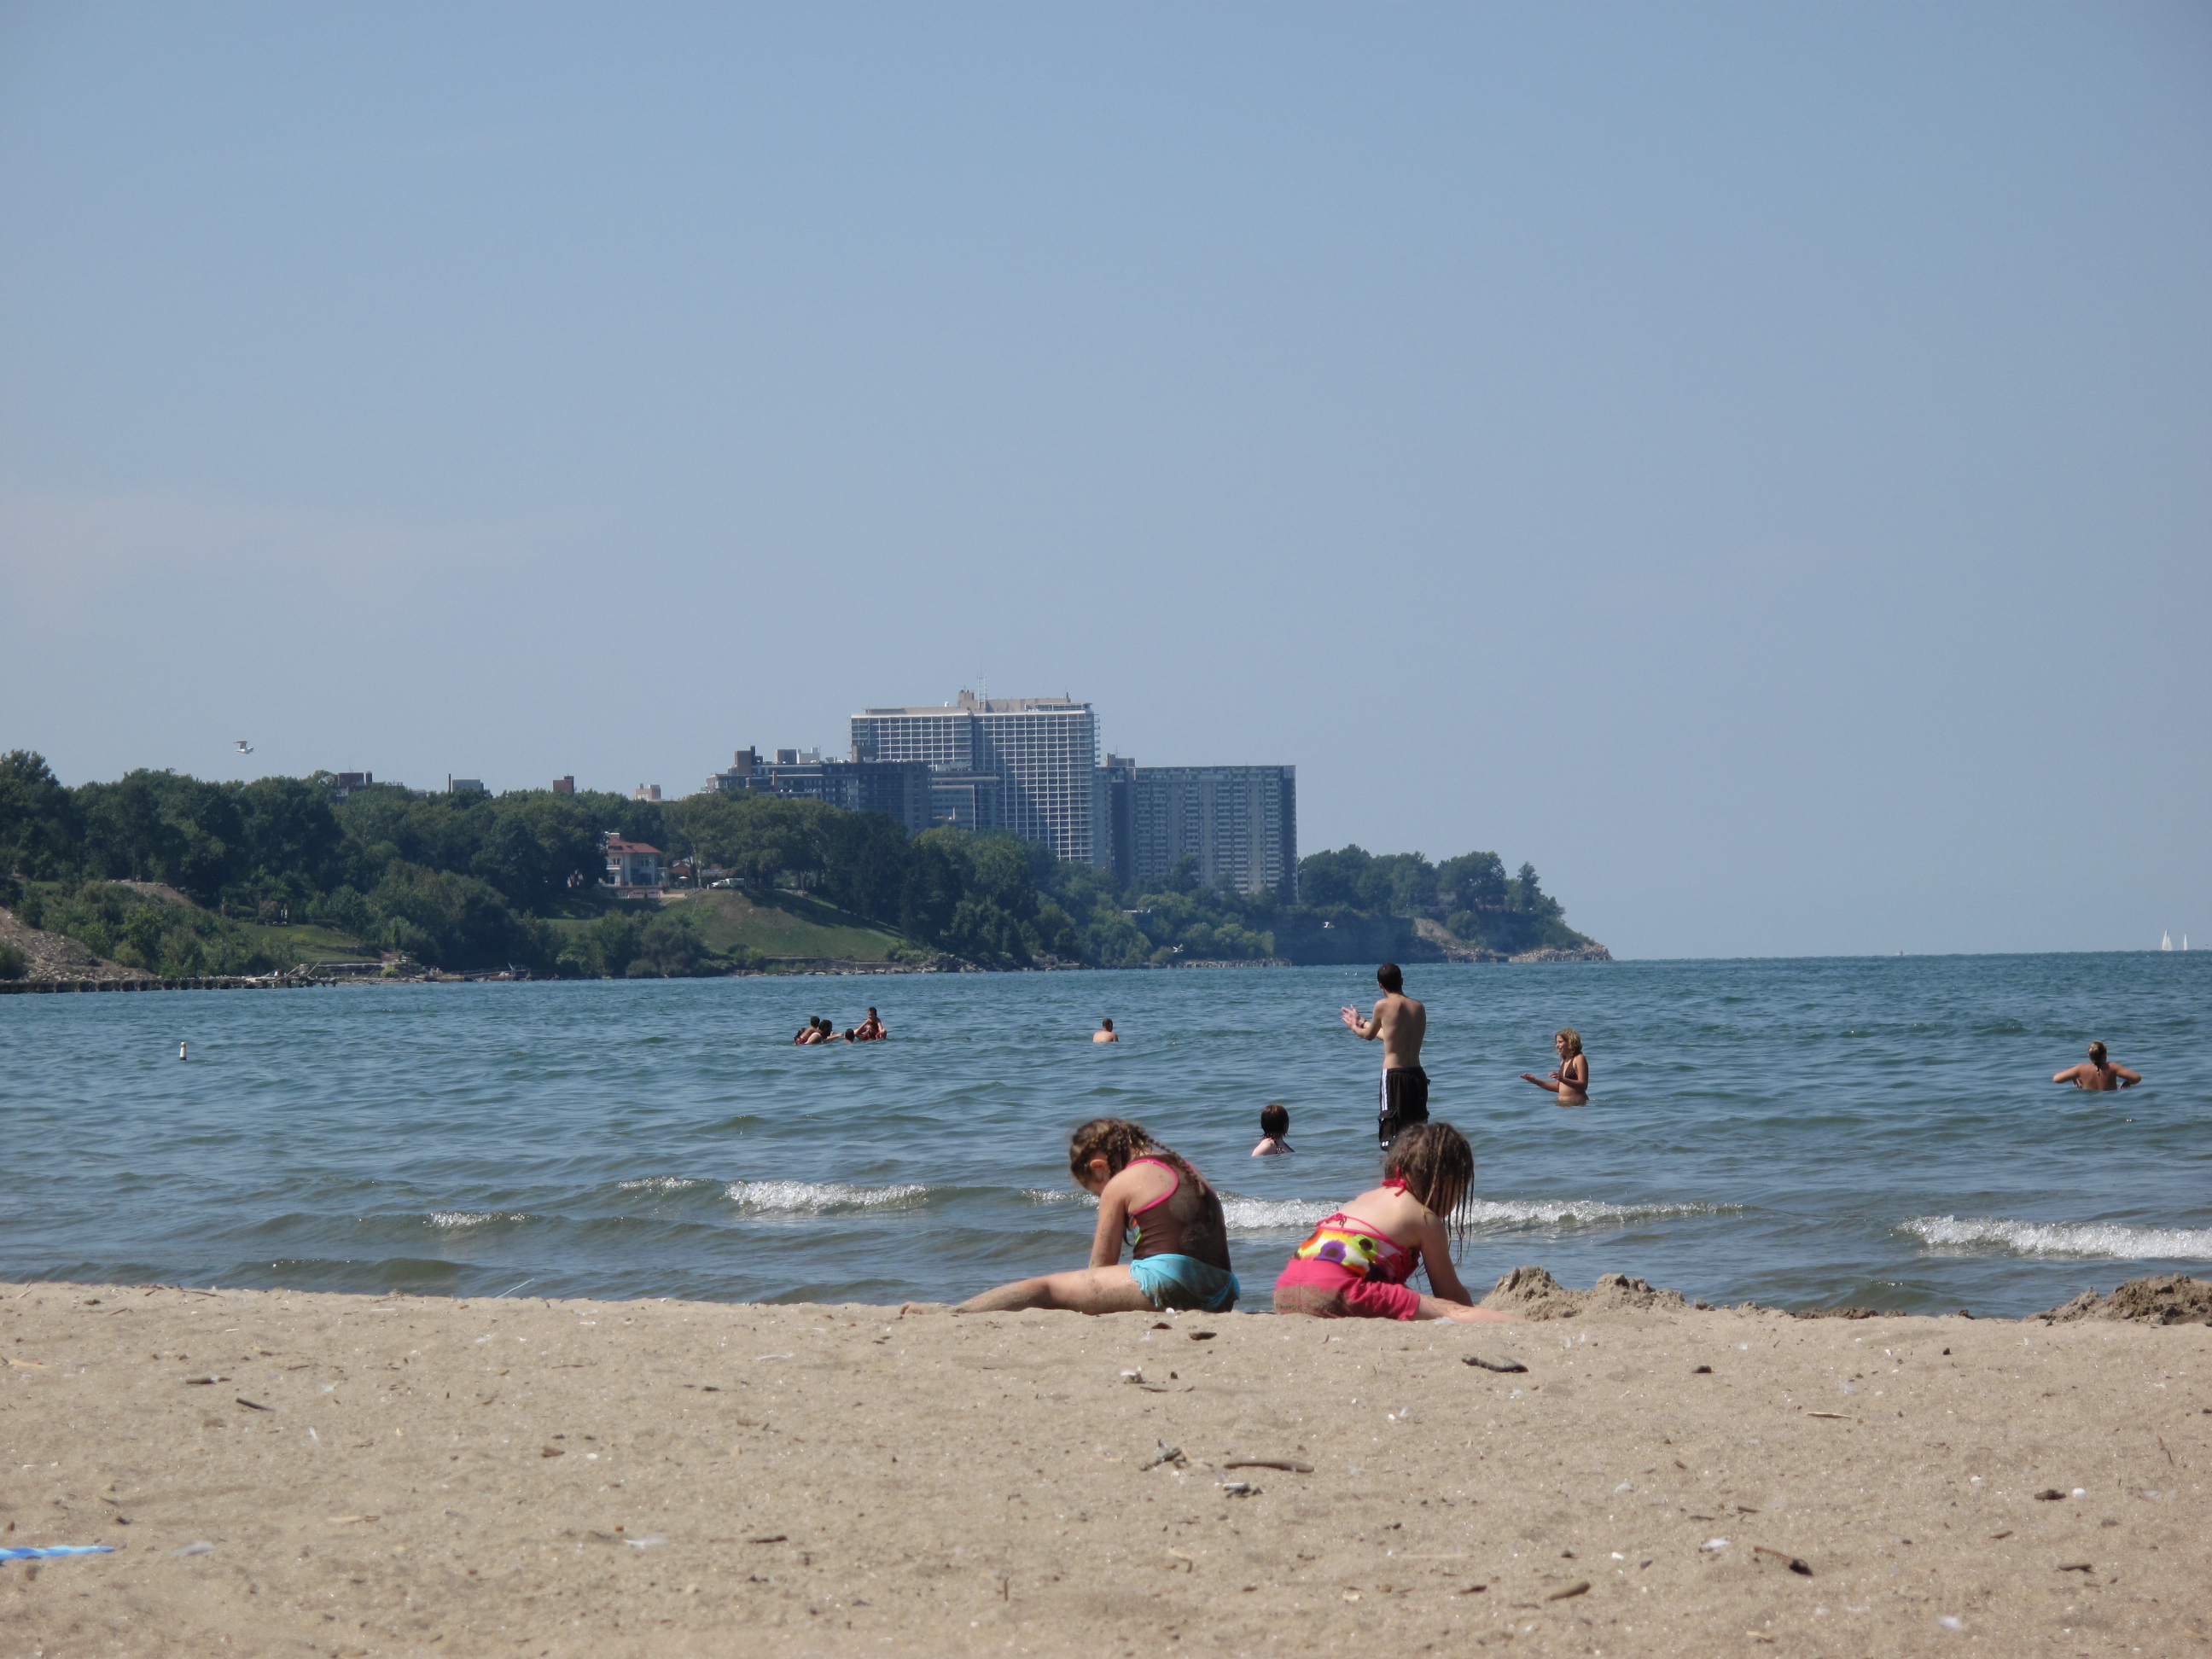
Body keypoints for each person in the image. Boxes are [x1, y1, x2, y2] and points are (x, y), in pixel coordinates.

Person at [955, 1118, 1239, 1315]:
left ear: (1100, 1167)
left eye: (1095, 1188)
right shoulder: (1187, 1168)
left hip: (1169, 1284)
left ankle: (958, 1312)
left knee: (1046, 1289)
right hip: (1223, 1290)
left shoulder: (1120, 1183)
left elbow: (1100, 1268)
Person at [1272, 1121, 1516, 1324]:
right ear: (1448, 1180)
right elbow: (1450, 1294)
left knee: (1407, 1298)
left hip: (1286, 1290)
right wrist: (1468, 1312)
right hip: (1335, 1292)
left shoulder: (1364, 1199)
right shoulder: (1425, 1219)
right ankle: (1532, 1327)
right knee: (1449, 1311)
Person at [1342, 962, 1428, 1144]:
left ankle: (1394, 1171)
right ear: (1402, 981)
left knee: (1393, 1135)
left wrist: (1354, 1026)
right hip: (1417, 1076)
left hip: (1394, 1075)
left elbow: (1369, 1036)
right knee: (1418, 1135)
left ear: (1380, 985)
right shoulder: (1419, 1007)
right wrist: (1363, 1021)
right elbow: (1392, 1037)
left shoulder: (1382, 1005)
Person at [1519, 1028, 1589, 1106]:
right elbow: (1558, 1088)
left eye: (1560, 1042)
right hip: (1564, 1106)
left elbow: (1583, 1086)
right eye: (1556, 1042)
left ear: (1570, 1042)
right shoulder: (1564, 1060)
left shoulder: (1579, 1058)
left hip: (1577, 1106)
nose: (1557, 1045)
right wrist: (1535, 1080)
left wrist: (1562, 1079)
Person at [2053, 1041, 2140, 1091]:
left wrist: (2074, 1077)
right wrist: (2128, 1082)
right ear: (2105, 1055)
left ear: (2089, 1056)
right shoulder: (2113, 1067)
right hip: (2111, 1103)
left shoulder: (2081, 1069)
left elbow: (2056, 1079)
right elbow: (2137, 1078)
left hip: (2089, 1105)